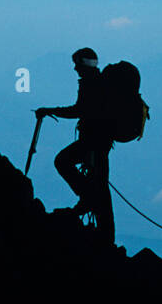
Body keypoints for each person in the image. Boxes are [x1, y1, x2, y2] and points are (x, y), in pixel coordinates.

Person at [35, 48, 115, 242]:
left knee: (63, 161)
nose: (75, 69)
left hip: (93, 142)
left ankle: (88, 200)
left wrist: (49, 110)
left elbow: (79, 110)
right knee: (101, 185)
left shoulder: (91, 83)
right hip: (101, 142)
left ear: (83, 64)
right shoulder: (100, 82)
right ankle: (106, 236)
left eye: (77, 64)